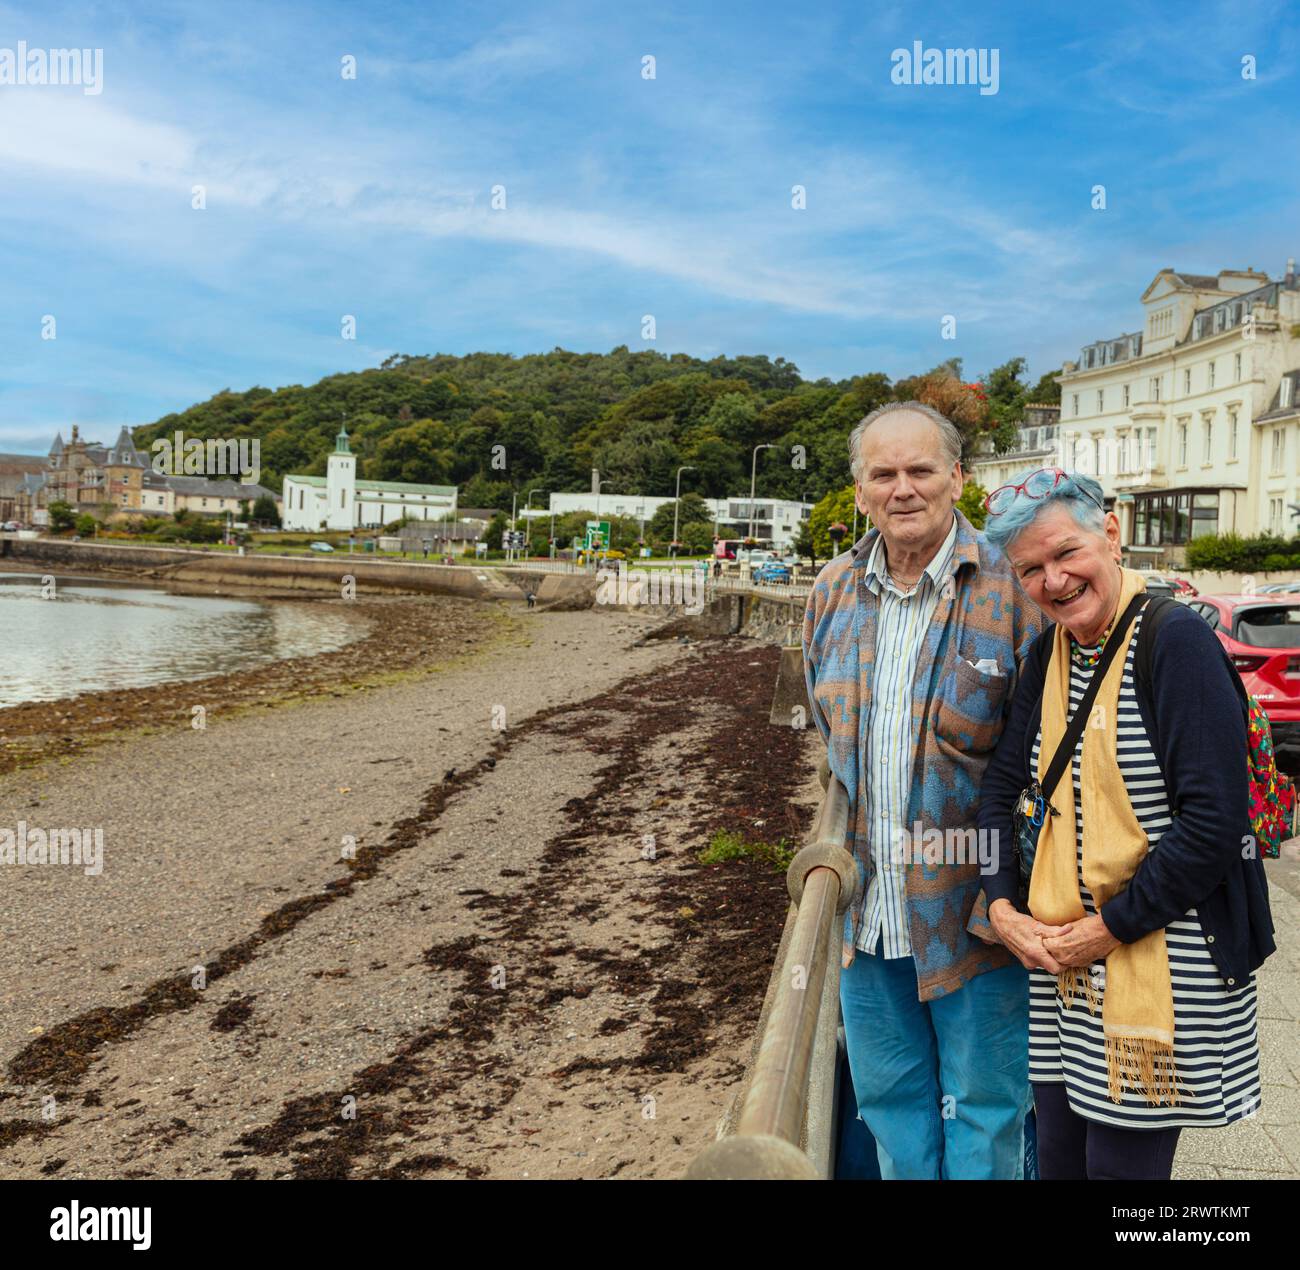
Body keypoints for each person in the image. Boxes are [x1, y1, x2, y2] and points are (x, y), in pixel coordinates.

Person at [977, 467, 1274, 1180]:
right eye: (1030, 570)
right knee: (1057, 1159)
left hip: (1161, 967)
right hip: (1065, 975)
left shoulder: (1175, 643)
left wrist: (1109, 927)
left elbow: (1212, 822)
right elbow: (1001, 789)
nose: (1053, 580)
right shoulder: (1046, 654)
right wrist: (1001, 905)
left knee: (1121, 1174)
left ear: (1111, 533)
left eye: (1066, 553)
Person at [802, 401, 1045, 1179]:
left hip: (977, 912)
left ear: (957, 479)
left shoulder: (1014, 589)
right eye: (883, 474)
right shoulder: (832, 590)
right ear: (859, 490)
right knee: (890, 1110)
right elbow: (825, 731)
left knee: (986, 1108)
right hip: (866, 920)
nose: (902, 488)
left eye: (920, 470)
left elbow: (1052, 758)